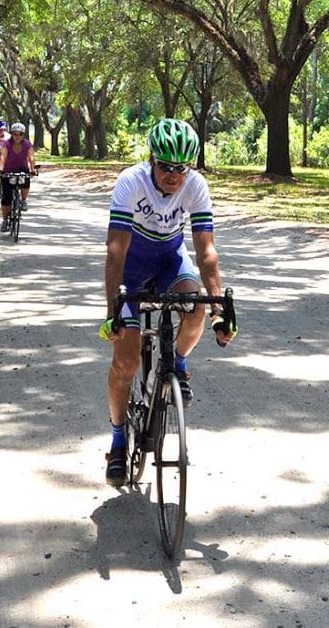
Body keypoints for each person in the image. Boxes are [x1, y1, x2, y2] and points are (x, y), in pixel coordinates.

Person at [100, 118, 235, 487]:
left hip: (169, 261)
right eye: (166, 166)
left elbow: (206, 253)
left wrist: (222, 310)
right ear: (151, 159)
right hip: (131, 268)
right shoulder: (131, 182)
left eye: (182, 167)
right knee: (126, 362)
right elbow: (116, 251)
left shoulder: (195, 186)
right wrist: (115, 308)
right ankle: (116, 440)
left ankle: (177, 362)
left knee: (198, 305)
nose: (174, 176)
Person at [0, 122, 38, 232]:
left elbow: (31, 157)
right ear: (11, 134)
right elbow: (3, 157)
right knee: (6, 198)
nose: (17, 137)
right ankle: (5, 220)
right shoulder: (6, 144)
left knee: (26, 181)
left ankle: (23, 200)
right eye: (15, 134)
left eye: (20, 134)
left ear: (23, 135)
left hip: (22, 169)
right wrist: (1, 169)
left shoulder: (27, 144)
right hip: (8, 171)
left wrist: (33, 169)